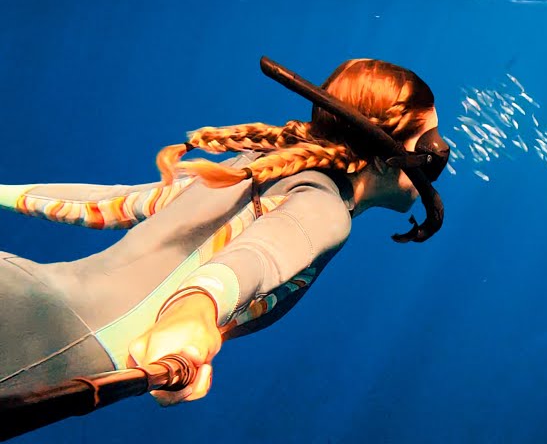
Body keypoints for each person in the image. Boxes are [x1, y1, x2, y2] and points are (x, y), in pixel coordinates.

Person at [0, 57, 449, 406]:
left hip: (24, 288)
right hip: (43, 344)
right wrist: (192, 314)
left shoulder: (246, 170)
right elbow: (254, 259)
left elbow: (111, 203)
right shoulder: (326, 210)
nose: (440, 158)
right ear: (388, 153)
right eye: (433, 147)